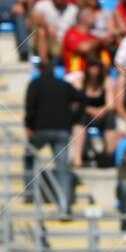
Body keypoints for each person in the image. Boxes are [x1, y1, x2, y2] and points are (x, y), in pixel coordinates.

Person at [23, 62, 80, 218]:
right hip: (62, 130)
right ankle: (64, 207)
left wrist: (28, 126)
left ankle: (29, 193)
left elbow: (29, 107)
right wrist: (73, 118)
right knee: (62, 169)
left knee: (29, 156)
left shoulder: (35, 84)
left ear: (40, 71)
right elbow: (81, 98)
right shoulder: (64, 84)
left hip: (40, 131)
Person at [73, 59, 116, 166]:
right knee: (80, 120)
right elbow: (76, 104)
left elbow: (110, 105)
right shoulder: (79, 81)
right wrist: (92, 110)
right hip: (85, 114)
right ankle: (77, 160)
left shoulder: (107, 81)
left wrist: (101, 111)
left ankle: (109, 157)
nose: (94, 70)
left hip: (103, 115)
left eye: (96, 67)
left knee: (111, 119)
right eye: (92, 67)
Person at [30, 0, 79, 67]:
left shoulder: (73, 9)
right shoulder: (42, 5)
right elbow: (34, 19)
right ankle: (45, 65)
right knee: (42, 31)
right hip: (48, 41)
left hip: (65, 44)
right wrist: (48, 26)